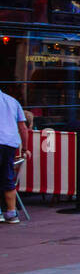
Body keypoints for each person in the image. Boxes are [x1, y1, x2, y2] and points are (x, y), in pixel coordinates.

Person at [1, 87, 30, 224]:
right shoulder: (12, 101)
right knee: (7, 176)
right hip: (10, 144)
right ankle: (11, 213)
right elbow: (23, 128)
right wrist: (25, 148)